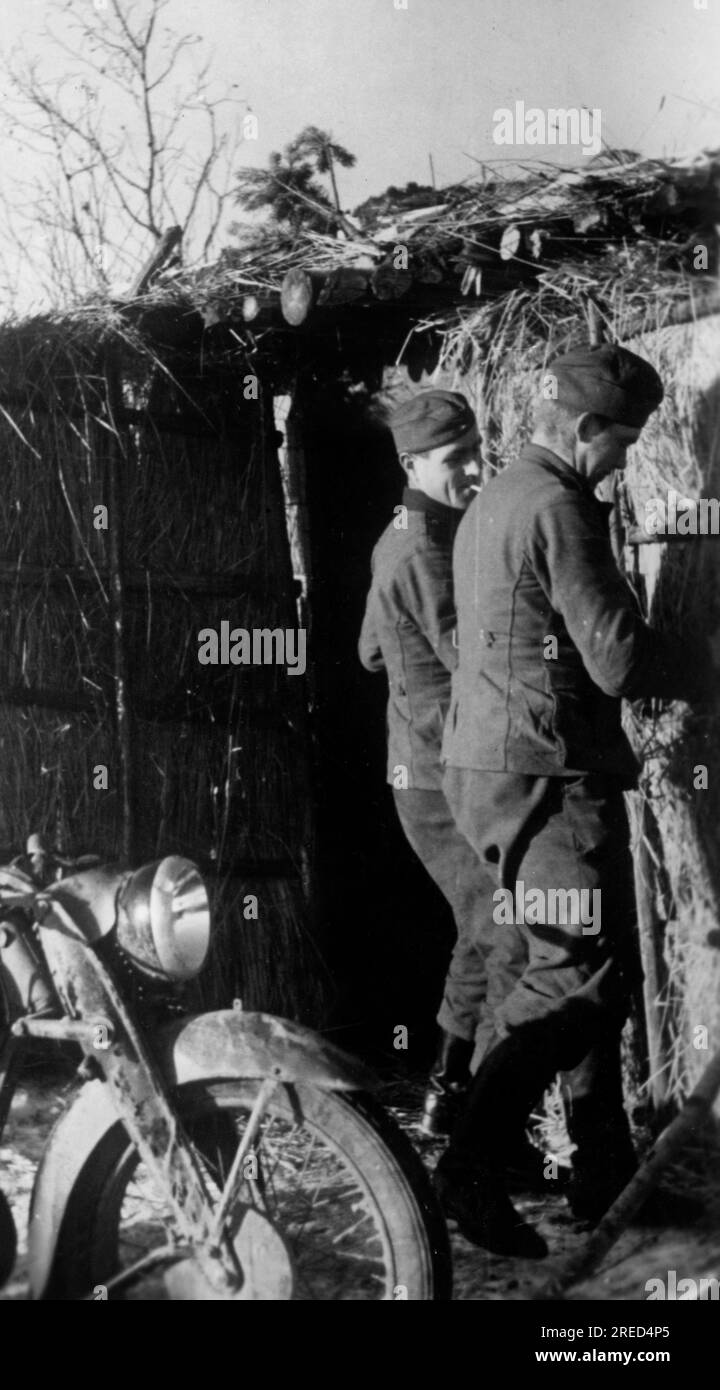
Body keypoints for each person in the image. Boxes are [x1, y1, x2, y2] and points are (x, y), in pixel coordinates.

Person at [436, 344, 709, 1258]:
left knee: (579, 962)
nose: (626, 461)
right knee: (579, 975)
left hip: (491, 773)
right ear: (586, 428)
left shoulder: (495, 499)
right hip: (547, 779)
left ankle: (601, 1176)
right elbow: (620, 659)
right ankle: (466, 1165)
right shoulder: (558, 507)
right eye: (622, 443)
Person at [358, 389, 498, 1134]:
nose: (475, 470)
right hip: (437, 775)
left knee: (488, 922)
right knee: (502, 927)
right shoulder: (421, 548)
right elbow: (469, 660)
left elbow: (370, 650)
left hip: (432, 761)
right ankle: (480, 1116)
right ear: (413, 463)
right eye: (456, 460)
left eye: (477, 452)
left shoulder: (407, 536)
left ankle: (451, 1094)